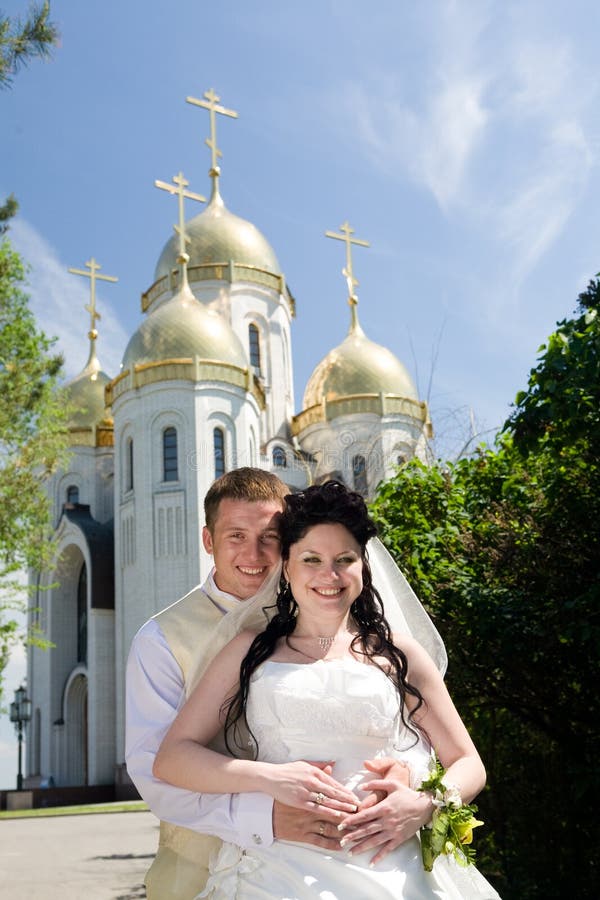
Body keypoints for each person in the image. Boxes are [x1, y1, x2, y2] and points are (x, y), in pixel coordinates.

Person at [153, 481, 501, 898]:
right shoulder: (248, 652)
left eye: (344, 559)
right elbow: (172, 758)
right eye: (311, 559)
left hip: (394, 868)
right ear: (287, 567)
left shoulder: (397, 654)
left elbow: (468, 762)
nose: (329, 576)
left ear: (362, 566)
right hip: (278, 870)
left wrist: (424, 806)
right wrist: (270, 778)